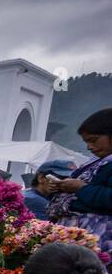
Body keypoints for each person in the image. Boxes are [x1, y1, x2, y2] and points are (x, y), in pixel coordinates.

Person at [37, 108, 112, 255]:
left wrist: (81, 189)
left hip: (100, 245)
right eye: (87, 142)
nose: (89, 147)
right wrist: (60, 188)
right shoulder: (96, 162)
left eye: (94, 140)